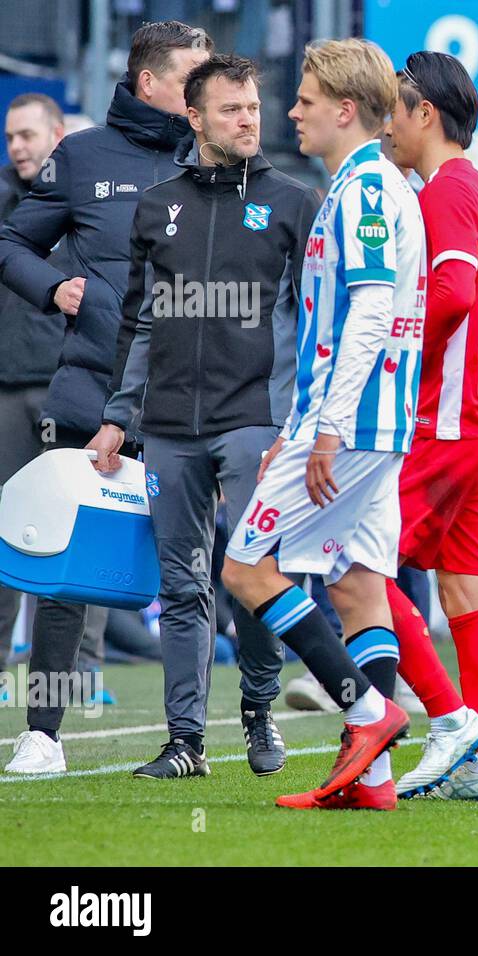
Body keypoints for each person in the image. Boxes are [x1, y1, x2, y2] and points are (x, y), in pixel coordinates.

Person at [85, 53, 319, 779]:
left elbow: (311, 325)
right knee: (182, 585)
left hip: (256, 420)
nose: (247, 120)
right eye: (231, 110)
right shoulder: (158, 205)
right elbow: (142, 324)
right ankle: (186, 740)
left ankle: (258, 713)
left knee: (252, 574)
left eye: (252, 107)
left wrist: (292, 423)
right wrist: (121, 415)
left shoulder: (295, 203)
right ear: (195, 118)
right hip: (171, 429)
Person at [0, 21, 212, 775]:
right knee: (65, 568)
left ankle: (227, 728)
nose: (211, 87)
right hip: (93, 391)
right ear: (152, 81)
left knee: (212, 565)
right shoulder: (83, 156)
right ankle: (43, 734)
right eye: (196, 72)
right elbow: (11, 243)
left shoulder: (221, 154)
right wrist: (53, 286)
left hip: (196, 399)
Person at [219, 38, 422, 810]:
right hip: (371, 422)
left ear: (345, 109)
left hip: (355, 424)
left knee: (246, 569)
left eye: (304, 99)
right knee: (361, 588)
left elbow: (369, 309)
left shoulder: (366, 187)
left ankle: (368, 712)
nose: (291, 112)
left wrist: (326, 427)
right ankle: (371, 782)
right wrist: (304, 418)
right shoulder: (372, 184)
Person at [381, 51, 478, 802]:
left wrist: (390, 351)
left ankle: (448, 718)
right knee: (467, 591)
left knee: (356, 564)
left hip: (451, 416)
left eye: (395, 109)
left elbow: (454, 291)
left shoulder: (447, 191)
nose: (388, 125)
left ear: (424, 112)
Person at [0, 93, 66, 671]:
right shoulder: (1, 201)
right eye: (10, 137)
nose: (18, 146)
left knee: (71, 529)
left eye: (28, 134)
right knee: (6, 529)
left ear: (57, 132)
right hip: (6, 390)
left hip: (67, 386)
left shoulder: (83, 195)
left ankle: (78, 674)